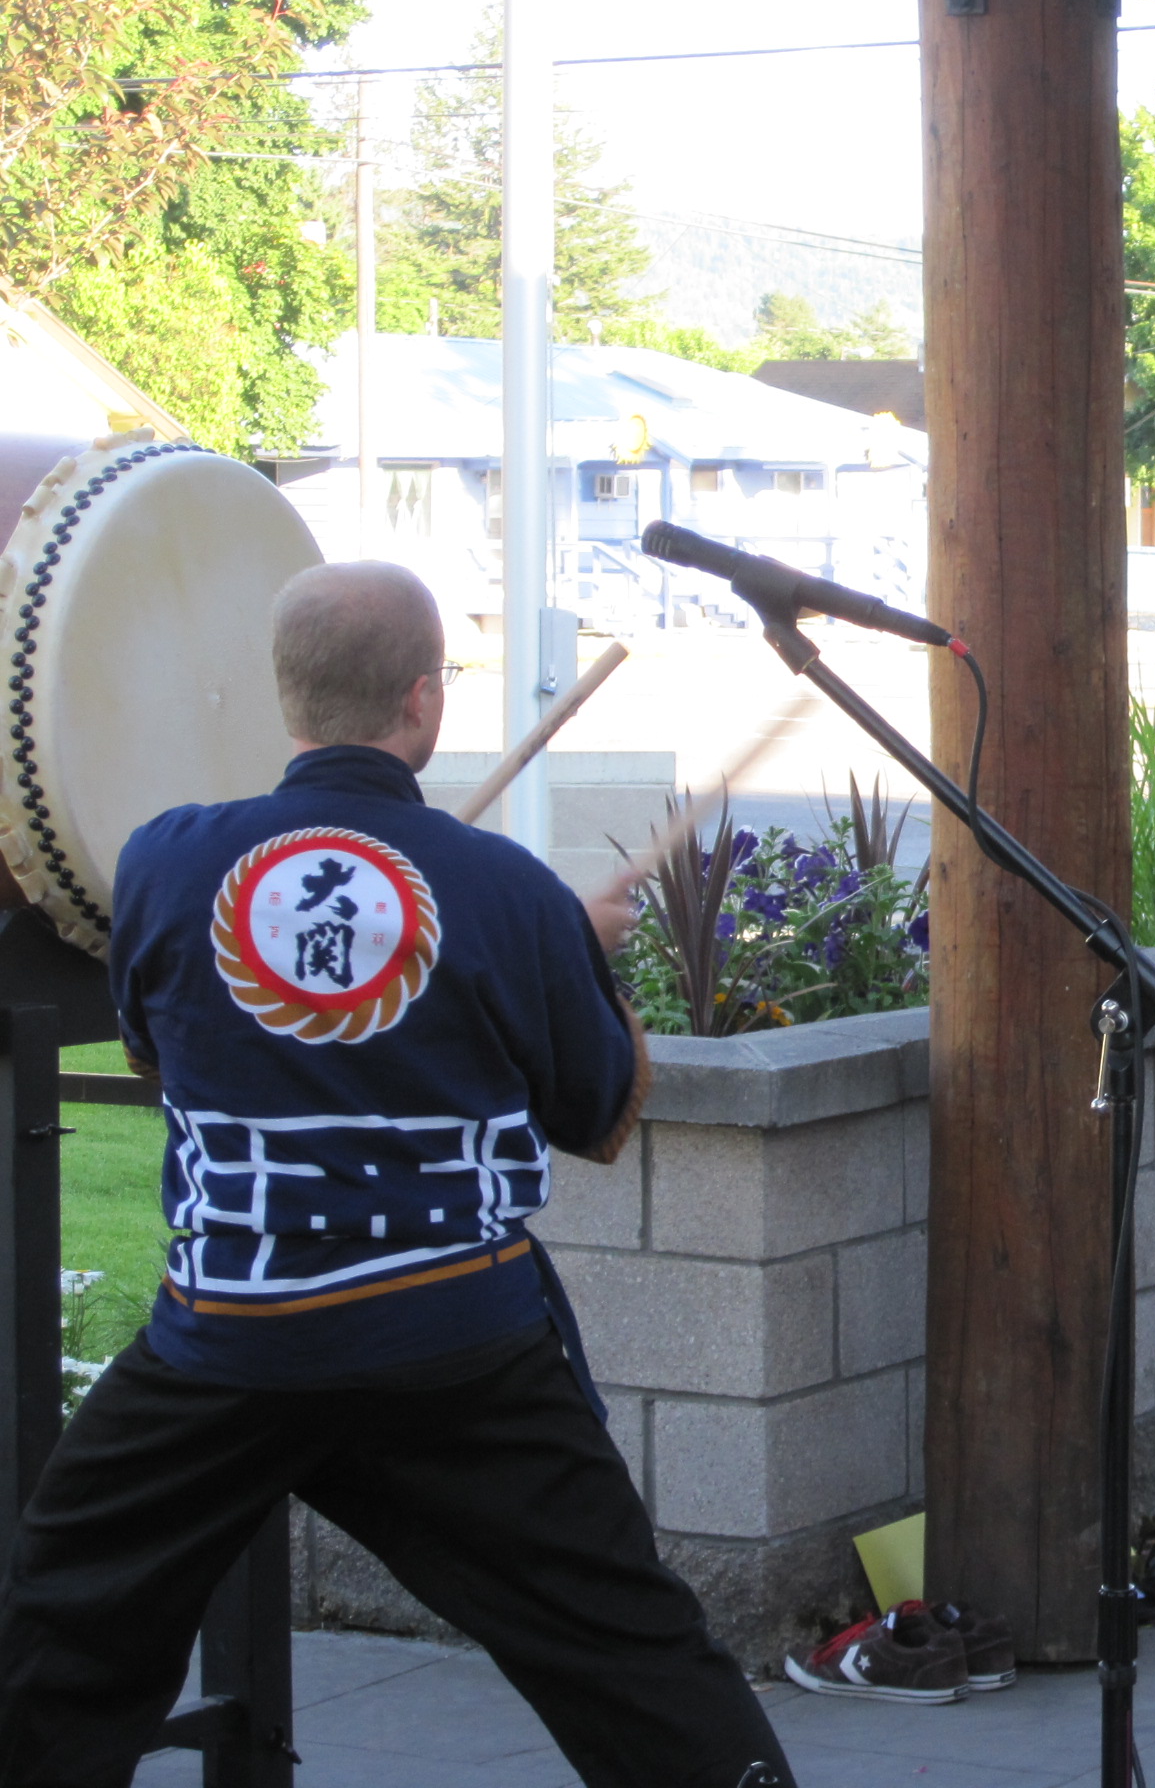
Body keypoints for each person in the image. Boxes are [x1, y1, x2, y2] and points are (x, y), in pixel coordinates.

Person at [0, 564, 792, 1788]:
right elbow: (592, 1107)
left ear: (288, 702)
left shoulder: (164, 862)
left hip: (230, 1340)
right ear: (424, 701)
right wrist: (567, 950)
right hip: (453, 1350)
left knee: (63, 1623)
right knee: (624, 1644)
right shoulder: (508, 893)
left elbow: (171, 1055)